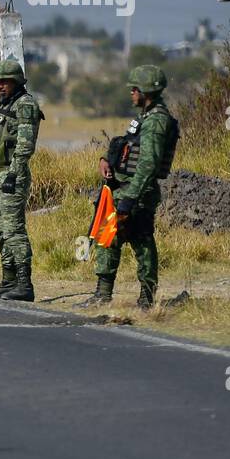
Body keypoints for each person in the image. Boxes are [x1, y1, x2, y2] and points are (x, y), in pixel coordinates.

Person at [79, 65, 179, 310]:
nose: (132, 92)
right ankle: (103, 294)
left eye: (135, 89)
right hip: (123, 188)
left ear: (148, 91)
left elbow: (148, 164)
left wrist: (130, 199)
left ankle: (146, 298)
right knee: (107, 238)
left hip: (138, 193)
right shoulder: (144, 117)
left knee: (141, 242)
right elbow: (127, 145)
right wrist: (106, 159)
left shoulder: (157, 121)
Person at [0, 59, 43, 301]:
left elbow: (25, 145)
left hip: (11, 175)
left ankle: (25, 283)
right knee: (0, 231)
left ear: (16, 82)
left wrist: (13, 174)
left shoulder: (25, 105)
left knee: (14, 230)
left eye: (5, 82)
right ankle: (8, 280)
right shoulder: (3, 106)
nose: (0, 87)